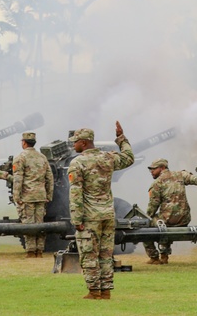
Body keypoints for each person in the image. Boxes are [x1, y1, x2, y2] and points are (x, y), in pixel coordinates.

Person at [68, 122, 134, 300]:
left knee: (89, 254)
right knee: (106, 254)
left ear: (83, 143)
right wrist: (121, 138)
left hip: (90, 217)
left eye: (75, 142)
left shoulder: (78, 162)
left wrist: (77, 220)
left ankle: (94, 291)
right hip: (107, 214)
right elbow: (129, 158)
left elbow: (76, 193)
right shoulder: (108, 158)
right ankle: (106, 291)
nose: (73, 145)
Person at [143, 158, 197, 265]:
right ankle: (164, 256)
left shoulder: (157, 183)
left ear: (162, 168)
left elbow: (153, 206)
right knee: (162, 224)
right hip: (184, 219)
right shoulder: (181, 175)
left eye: (153, 169)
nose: (151, 171)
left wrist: (146, 218)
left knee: (145, 228)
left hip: (167, 220)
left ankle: (154, 257)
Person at [12, 131, 54, 258]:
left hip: (27, 196)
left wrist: (16, 197)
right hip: (41, 196)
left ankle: (31, 251)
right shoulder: (42, 157)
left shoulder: (20, 157)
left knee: (28, 224)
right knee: (39, 224)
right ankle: (39, 250)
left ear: (24, 143)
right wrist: (49, 195)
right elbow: (49, 178)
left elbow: (18, 179)